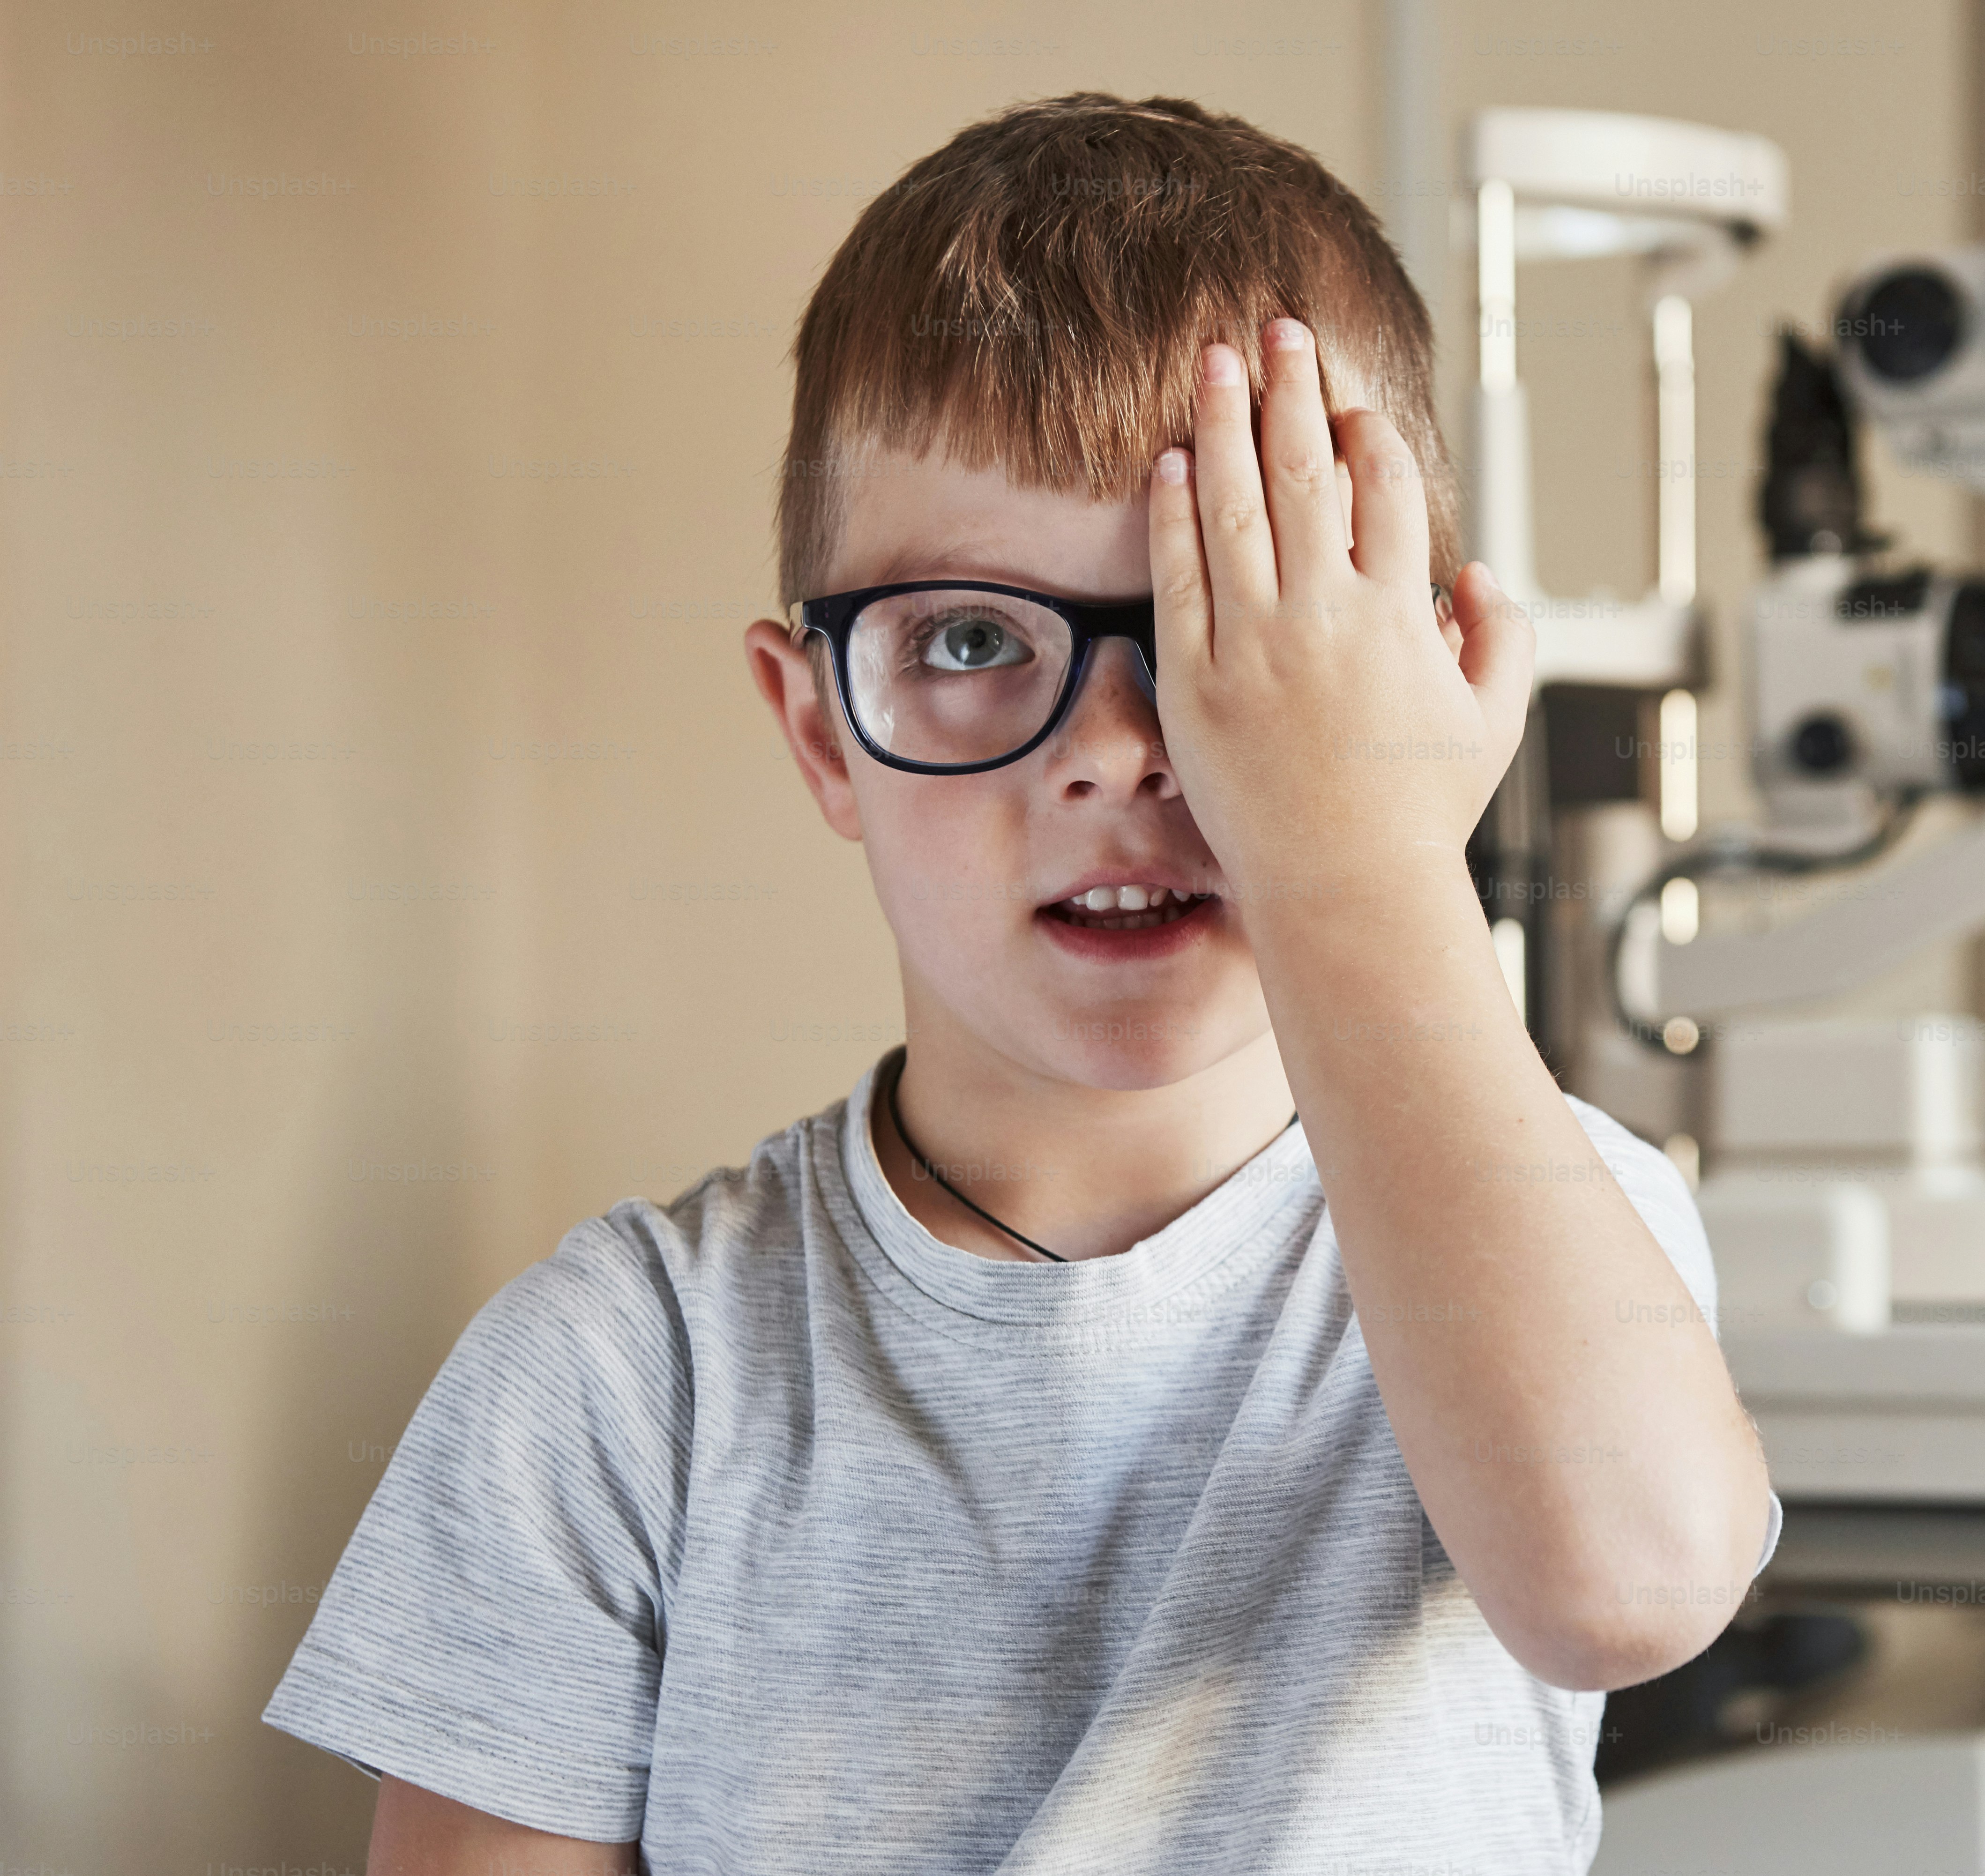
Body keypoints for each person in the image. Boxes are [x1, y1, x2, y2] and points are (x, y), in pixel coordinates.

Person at [264, 91, 1779, 1874]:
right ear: (819, 728)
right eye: (972, 641)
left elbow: (1629, 1584)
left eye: (1232, 630)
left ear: (1419, 684)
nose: (1117, 753)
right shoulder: (620, 1379)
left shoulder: (1559, 1220)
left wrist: (1360, 847)